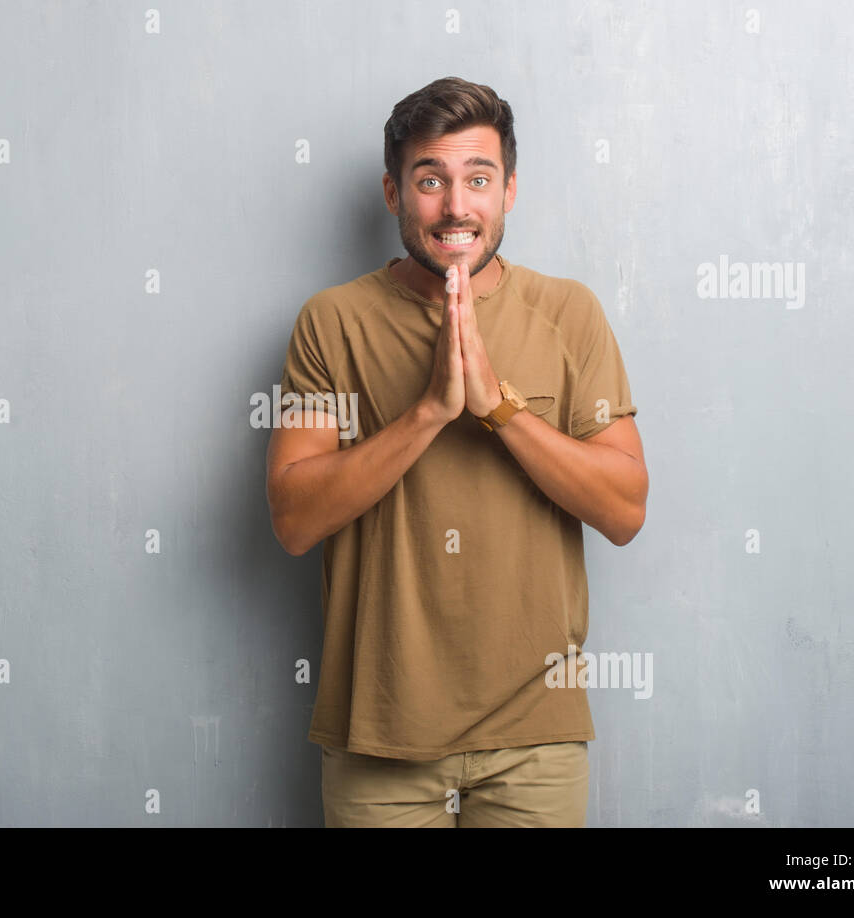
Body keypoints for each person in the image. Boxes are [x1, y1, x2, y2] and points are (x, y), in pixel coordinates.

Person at [266, 77, 648, 827]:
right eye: (430, 180)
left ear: (508, 191)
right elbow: (294, 519)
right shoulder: (331, 322)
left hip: (535, 740)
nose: (455, 206)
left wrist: (499, 410)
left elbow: (625, 508)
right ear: (392, 193)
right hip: (379, 736)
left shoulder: (570, 314)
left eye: (478, 179)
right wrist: (430, 413)